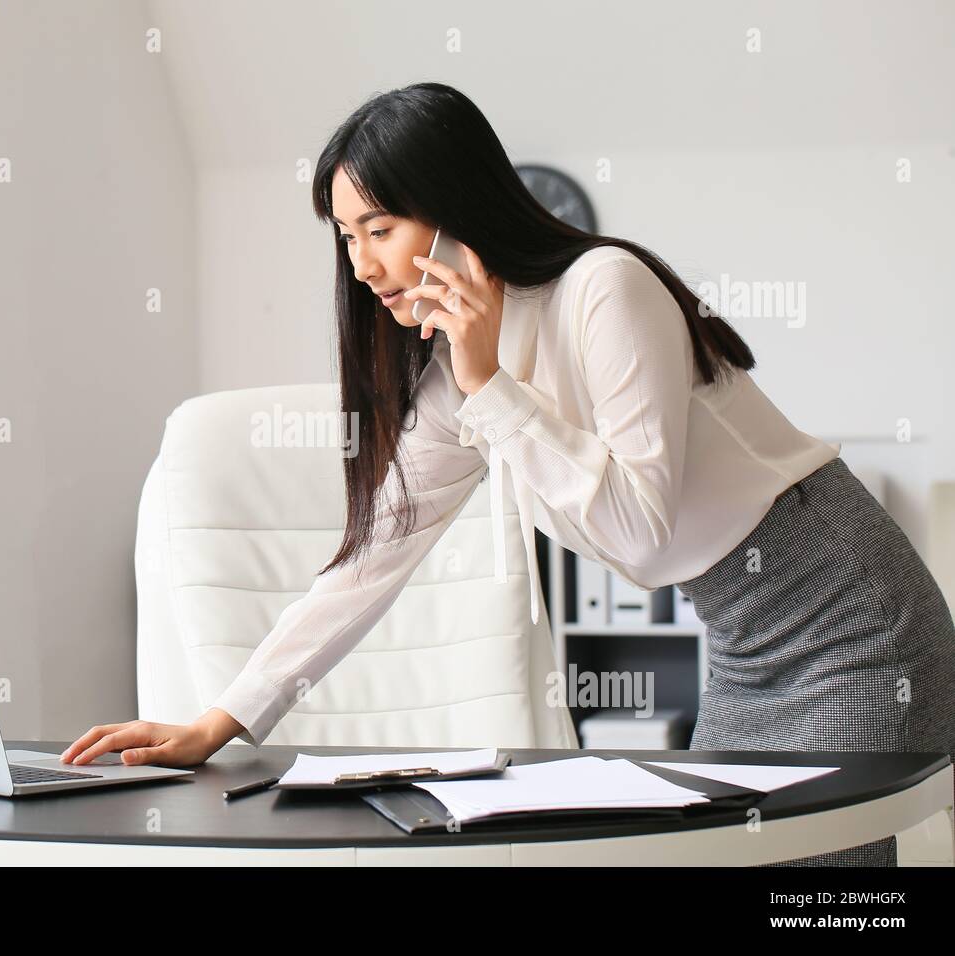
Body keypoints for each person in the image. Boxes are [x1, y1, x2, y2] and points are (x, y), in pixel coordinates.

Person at [60, 82, 955, 866]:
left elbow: (640, 537)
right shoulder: (457, 379)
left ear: (454, 210)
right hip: (744, 643)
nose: (363, 264)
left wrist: (493, 381)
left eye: (380, 227)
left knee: (823, 893)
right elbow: (371, 562)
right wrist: (222, 721)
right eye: (346, 236)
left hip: (852, 622)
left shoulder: (604, 290)